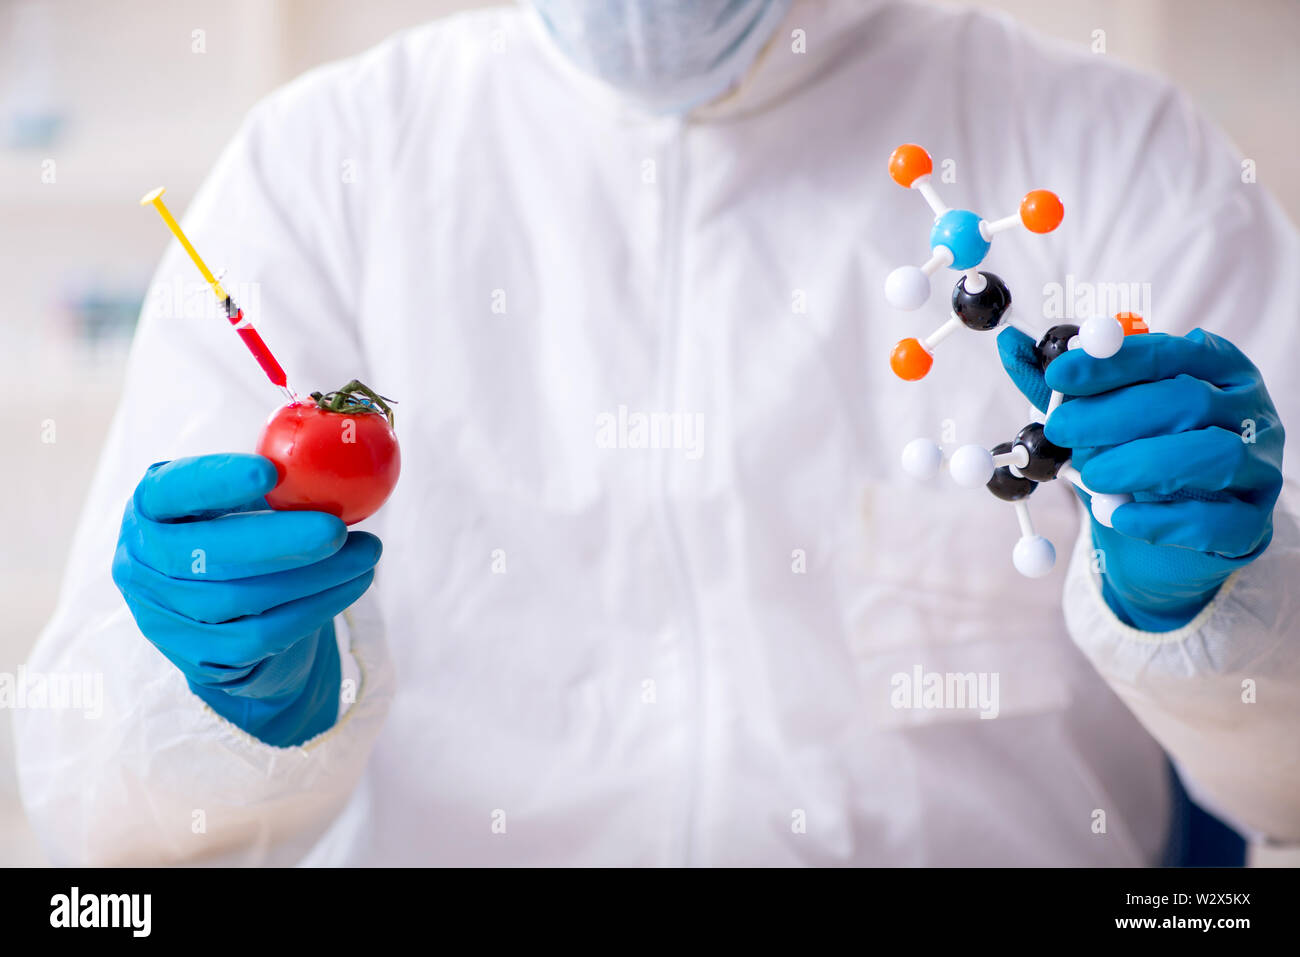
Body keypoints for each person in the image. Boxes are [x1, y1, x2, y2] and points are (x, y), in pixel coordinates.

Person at [16, 0, 1299, 865]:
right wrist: (213, 698)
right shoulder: (330, 162)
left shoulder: (1108, 149)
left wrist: (1227, 600)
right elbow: (90, 816)